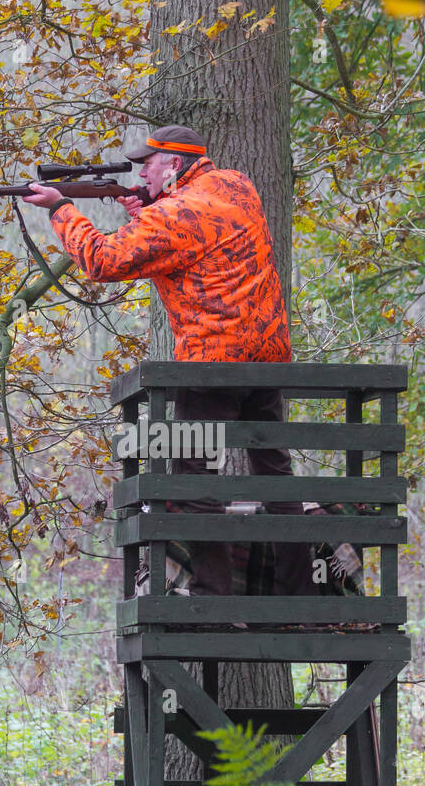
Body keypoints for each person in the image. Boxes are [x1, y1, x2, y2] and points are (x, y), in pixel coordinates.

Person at [23, 124, 316, 600]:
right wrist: (151, 210)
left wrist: (61, 209)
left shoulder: (175, 213)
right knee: (274, 473)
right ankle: (300, 594)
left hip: (211, 363)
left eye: (149, 165)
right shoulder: (237, 185)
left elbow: (102, 261)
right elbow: (203, 240)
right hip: (266, 357)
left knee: (194, 476)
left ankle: (213, 596)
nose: (142, 172)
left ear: (174, 165)